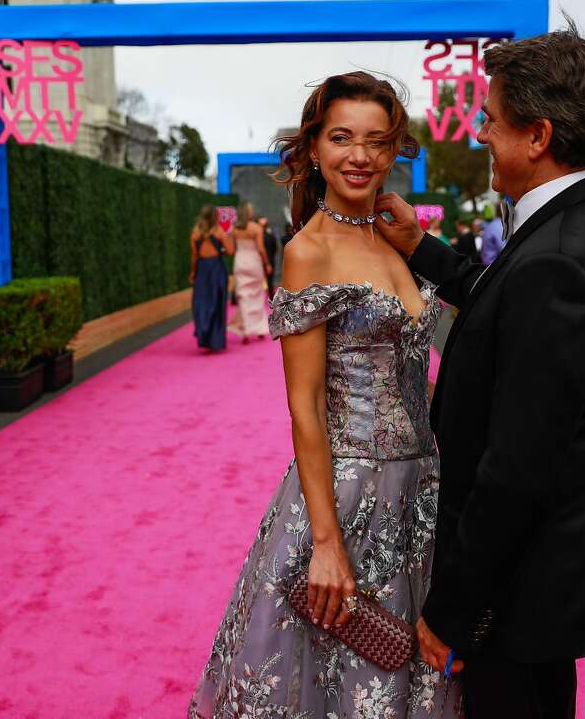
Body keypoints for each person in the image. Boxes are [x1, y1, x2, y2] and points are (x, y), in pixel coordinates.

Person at [374, 28, 585, 718]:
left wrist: (451, 610)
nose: (480, 132)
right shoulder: (578, 226)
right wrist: (425, 248)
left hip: (519, 582)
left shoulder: (558, 257)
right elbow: (503, 300)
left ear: (536, 136)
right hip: (542, 569)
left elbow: (516, 469)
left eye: (491, 118)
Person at [190, 72, 461, 717]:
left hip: (423, 491)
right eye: (341, 138)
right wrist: (326, 541)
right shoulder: (309, 252)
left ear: (396, 150)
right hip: (349, 493)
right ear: (314, 148)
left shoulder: (395, 237)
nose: (359, 156)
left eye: (376, 140)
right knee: (344, 676)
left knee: (411, 670)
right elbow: (305, 408)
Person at [189, 205, 234, 352]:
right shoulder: (219, 231)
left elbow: (194, 256)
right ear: (215, 217)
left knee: (200, 304)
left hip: (202, 269)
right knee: (217, 303)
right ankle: (216, 340)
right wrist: (220, 249)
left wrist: (193, 272)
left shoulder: (195, 233)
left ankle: (204, 335)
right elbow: (230, 250)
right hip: (216, 269)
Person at [226, 201, 272, 343]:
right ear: (250, 213)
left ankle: (246, 330)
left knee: (243, 297)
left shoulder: (234, 229)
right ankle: (258, 329)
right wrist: (267, 263)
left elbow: (232, 250)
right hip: (254, 262)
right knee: (257, 295)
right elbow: (261, 248)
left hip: (240, 261)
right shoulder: (256, 228)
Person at [258, 215, 280, 301]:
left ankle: (268, 296)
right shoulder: (271, 236)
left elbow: (275, 249)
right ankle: (271, 297)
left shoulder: (269, 236)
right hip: (269, 261)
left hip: (263, 261)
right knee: (269, 281)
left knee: (267, 281)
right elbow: (275, 249)